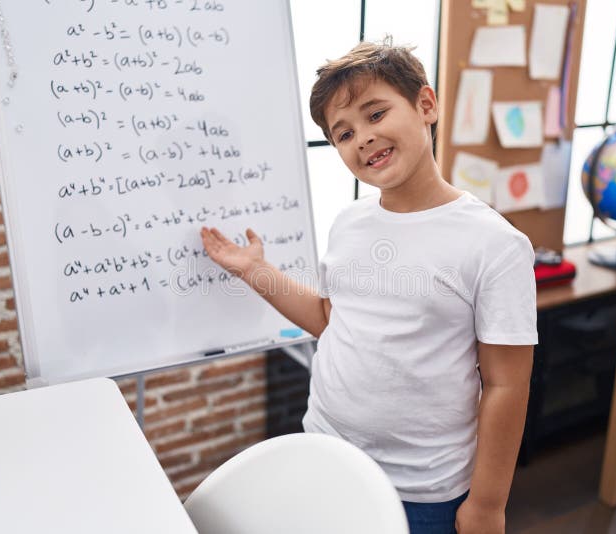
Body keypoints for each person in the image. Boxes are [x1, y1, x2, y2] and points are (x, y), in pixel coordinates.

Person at [200, 39, 537, 534]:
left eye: (376, 114)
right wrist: (256, 271)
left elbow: (507, 385)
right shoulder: (349, 223)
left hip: (422, 491)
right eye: (343, 133)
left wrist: (487, 504)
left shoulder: (495, 244)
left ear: (426, 105)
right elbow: (332, 320)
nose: (362, 138)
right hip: (325, 456)